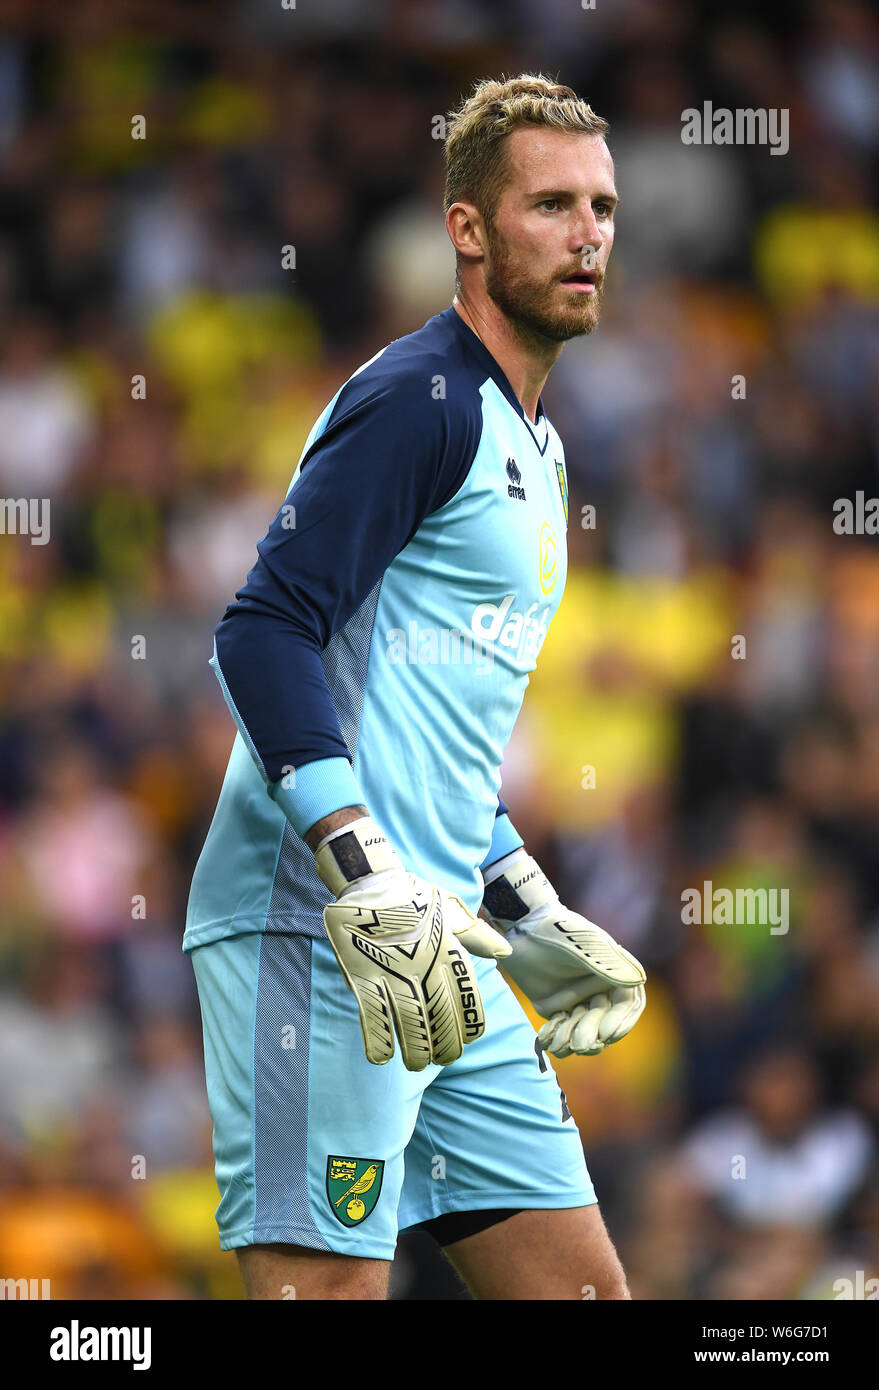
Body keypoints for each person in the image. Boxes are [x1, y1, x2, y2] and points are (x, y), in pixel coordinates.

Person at [185, 73, 647, 1301]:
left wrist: (527, 898)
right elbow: (264, 630)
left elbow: (426, 729)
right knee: (320, 1294)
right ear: (468, 228)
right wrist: (360, 867)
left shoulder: (538, 445)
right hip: (323, 922)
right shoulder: (419, 399)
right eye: (550, 203)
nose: (588, 232)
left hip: (445, 935)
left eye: (602, 205)